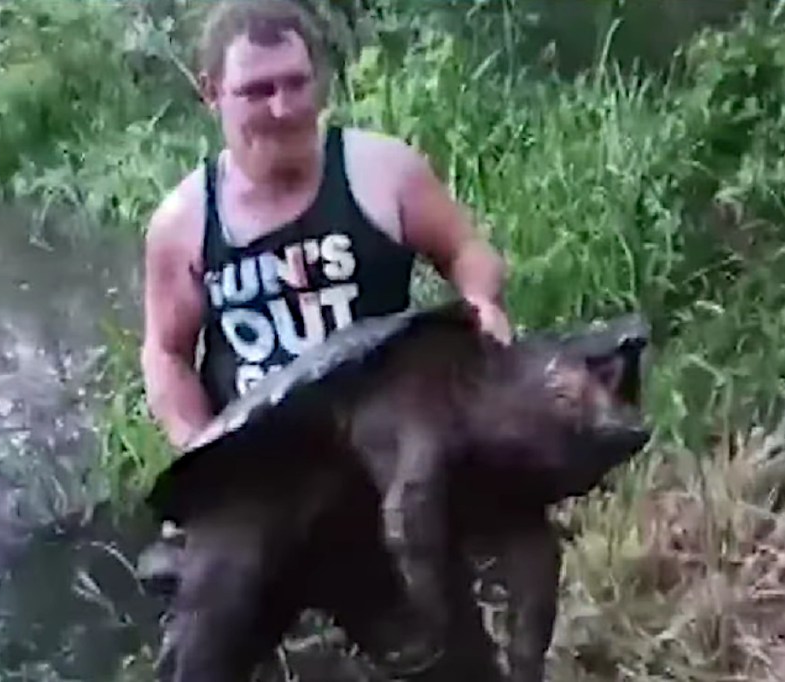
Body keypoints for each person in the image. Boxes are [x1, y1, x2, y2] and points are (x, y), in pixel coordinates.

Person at [139, 0, 511, 679]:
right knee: (198, 660)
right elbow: (165, 353)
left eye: (295, 82)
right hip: (257, 473)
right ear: (210, 91)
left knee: (453, 660)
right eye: (256, 89)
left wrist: (482, 300)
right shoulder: (184, 223)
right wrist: (197, 451)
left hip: (380, 462)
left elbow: (467, 250)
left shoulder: (383, 173)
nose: (282, 108)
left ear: (319, 81)